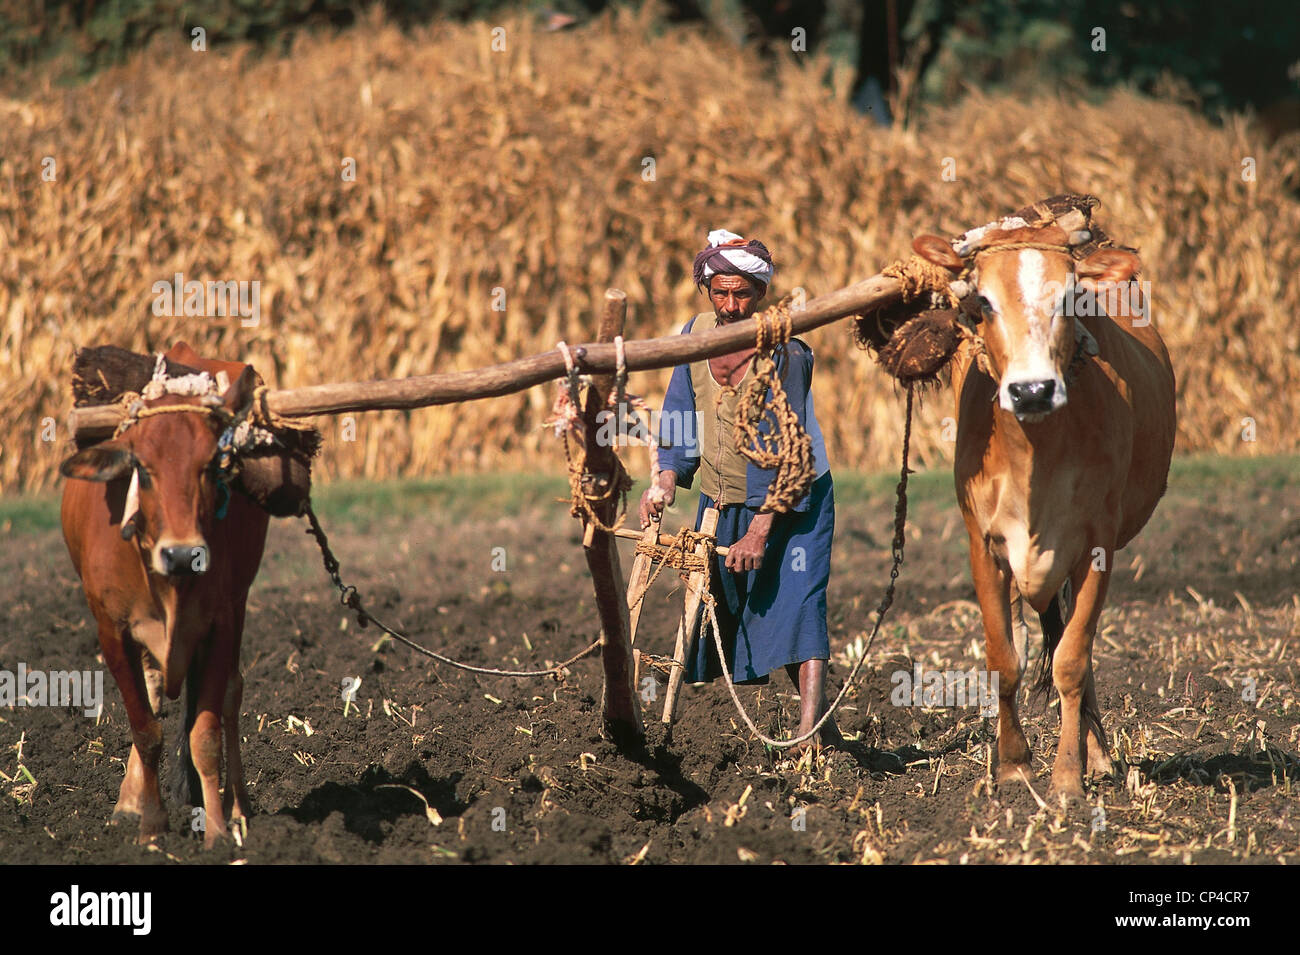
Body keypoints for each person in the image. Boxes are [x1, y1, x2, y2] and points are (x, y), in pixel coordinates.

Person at [638, 229, 842, 749]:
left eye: (743, 294)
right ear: (707, 290)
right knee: (723, 607)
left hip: (792, 500)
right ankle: (754, 730)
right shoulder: (695, 334)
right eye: (720, 293)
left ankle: (809, 735)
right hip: (723, 496)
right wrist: (664, 479)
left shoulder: (787, 354)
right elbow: (682, 415)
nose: (730, 306)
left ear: (762, 294)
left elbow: (791, 455)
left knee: (797, 603)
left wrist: (759, 529)